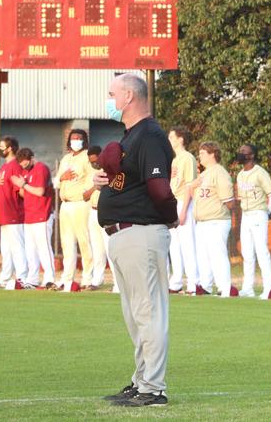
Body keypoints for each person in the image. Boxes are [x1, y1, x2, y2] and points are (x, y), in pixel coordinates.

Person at [96, 74, 177, 407]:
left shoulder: (150, 135)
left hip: (141, 232)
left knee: (148, 312)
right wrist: (107, 179)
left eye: (112, 94)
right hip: (123, 232)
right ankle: (141, 379)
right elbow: (133, 180)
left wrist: (170, 214)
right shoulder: (131, 136)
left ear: (129, 96)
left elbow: (159, 187)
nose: (110, 100)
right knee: (136, 315)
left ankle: (153, 388)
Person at [191, 141, 236, 297]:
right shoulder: (203, 174)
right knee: (203, 255)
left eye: (203, 153)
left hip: (217, 220)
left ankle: (224, 287)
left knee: (217, 254)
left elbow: (229, 201)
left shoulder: (219, 172)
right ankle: (206, 285)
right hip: (202, 221)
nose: (200, 156)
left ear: (212, 154)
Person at [235, 144, 271, 298]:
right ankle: (248, 288)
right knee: (247, 253)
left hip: (258, 213)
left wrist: (268, 212)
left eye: (244, 152)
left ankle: (269, 287)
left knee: (261, 251)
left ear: (252, 155)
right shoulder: (240, 174)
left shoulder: (260, 172)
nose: (240, 154)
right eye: (240, 151)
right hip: (246, 215)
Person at [13, 148, 56, 289]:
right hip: (29, 215)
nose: (23, 167)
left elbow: (40, 191)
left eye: (25, 164)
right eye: (21, 165)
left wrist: (24, 185)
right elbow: (24, 194)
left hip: (42, 214)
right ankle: (33, 279)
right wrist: (21, 186)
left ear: (31, 158)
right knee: (30, 250)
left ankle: (50, 278)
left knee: (44, 248)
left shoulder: (41, 168)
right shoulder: (26, 172)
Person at [57, 129, 95, 290]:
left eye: (79, 138)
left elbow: (93, 177)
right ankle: (67, 277)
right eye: (73, 138)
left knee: (84, 240)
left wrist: (86, 193)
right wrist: (62, 177)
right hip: (65, 204)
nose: (76, 141)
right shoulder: (66, 158)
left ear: (84, 140)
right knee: (67, 243)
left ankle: (87, 277)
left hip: (79, 203)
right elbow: (58, 179)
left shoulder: (86, 157)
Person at [168, 127, 199, 294]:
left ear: (181, 139)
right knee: (174, 245)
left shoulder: (188, 158)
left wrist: (184, 210)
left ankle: (193, 283)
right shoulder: (174, 159)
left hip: (183, 202)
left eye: (172, 137)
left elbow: (190, 185)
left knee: (188, 244)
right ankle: (176, 282)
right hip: (173, 202)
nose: (169, 140)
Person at [0, 136, 25, 288]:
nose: (0, 149)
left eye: (2, 146)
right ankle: (5, 277)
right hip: (3, 213)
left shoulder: (15, 165)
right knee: (6, 248)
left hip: (13, 212)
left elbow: (21, 190)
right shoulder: (4, 166)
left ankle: (22, 277)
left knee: (17, 246)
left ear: (10, 148)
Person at [83, 146, 114, 291]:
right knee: (97, 248)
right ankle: (97, 279)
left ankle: (117, 282)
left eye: (96, 161)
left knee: (110, 248)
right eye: (91, 162)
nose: (94, 165)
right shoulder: (92, 174)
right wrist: (96, 186)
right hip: (93, 211)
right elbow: (84, 196)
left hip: (107, 212)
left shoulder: (110, 171)